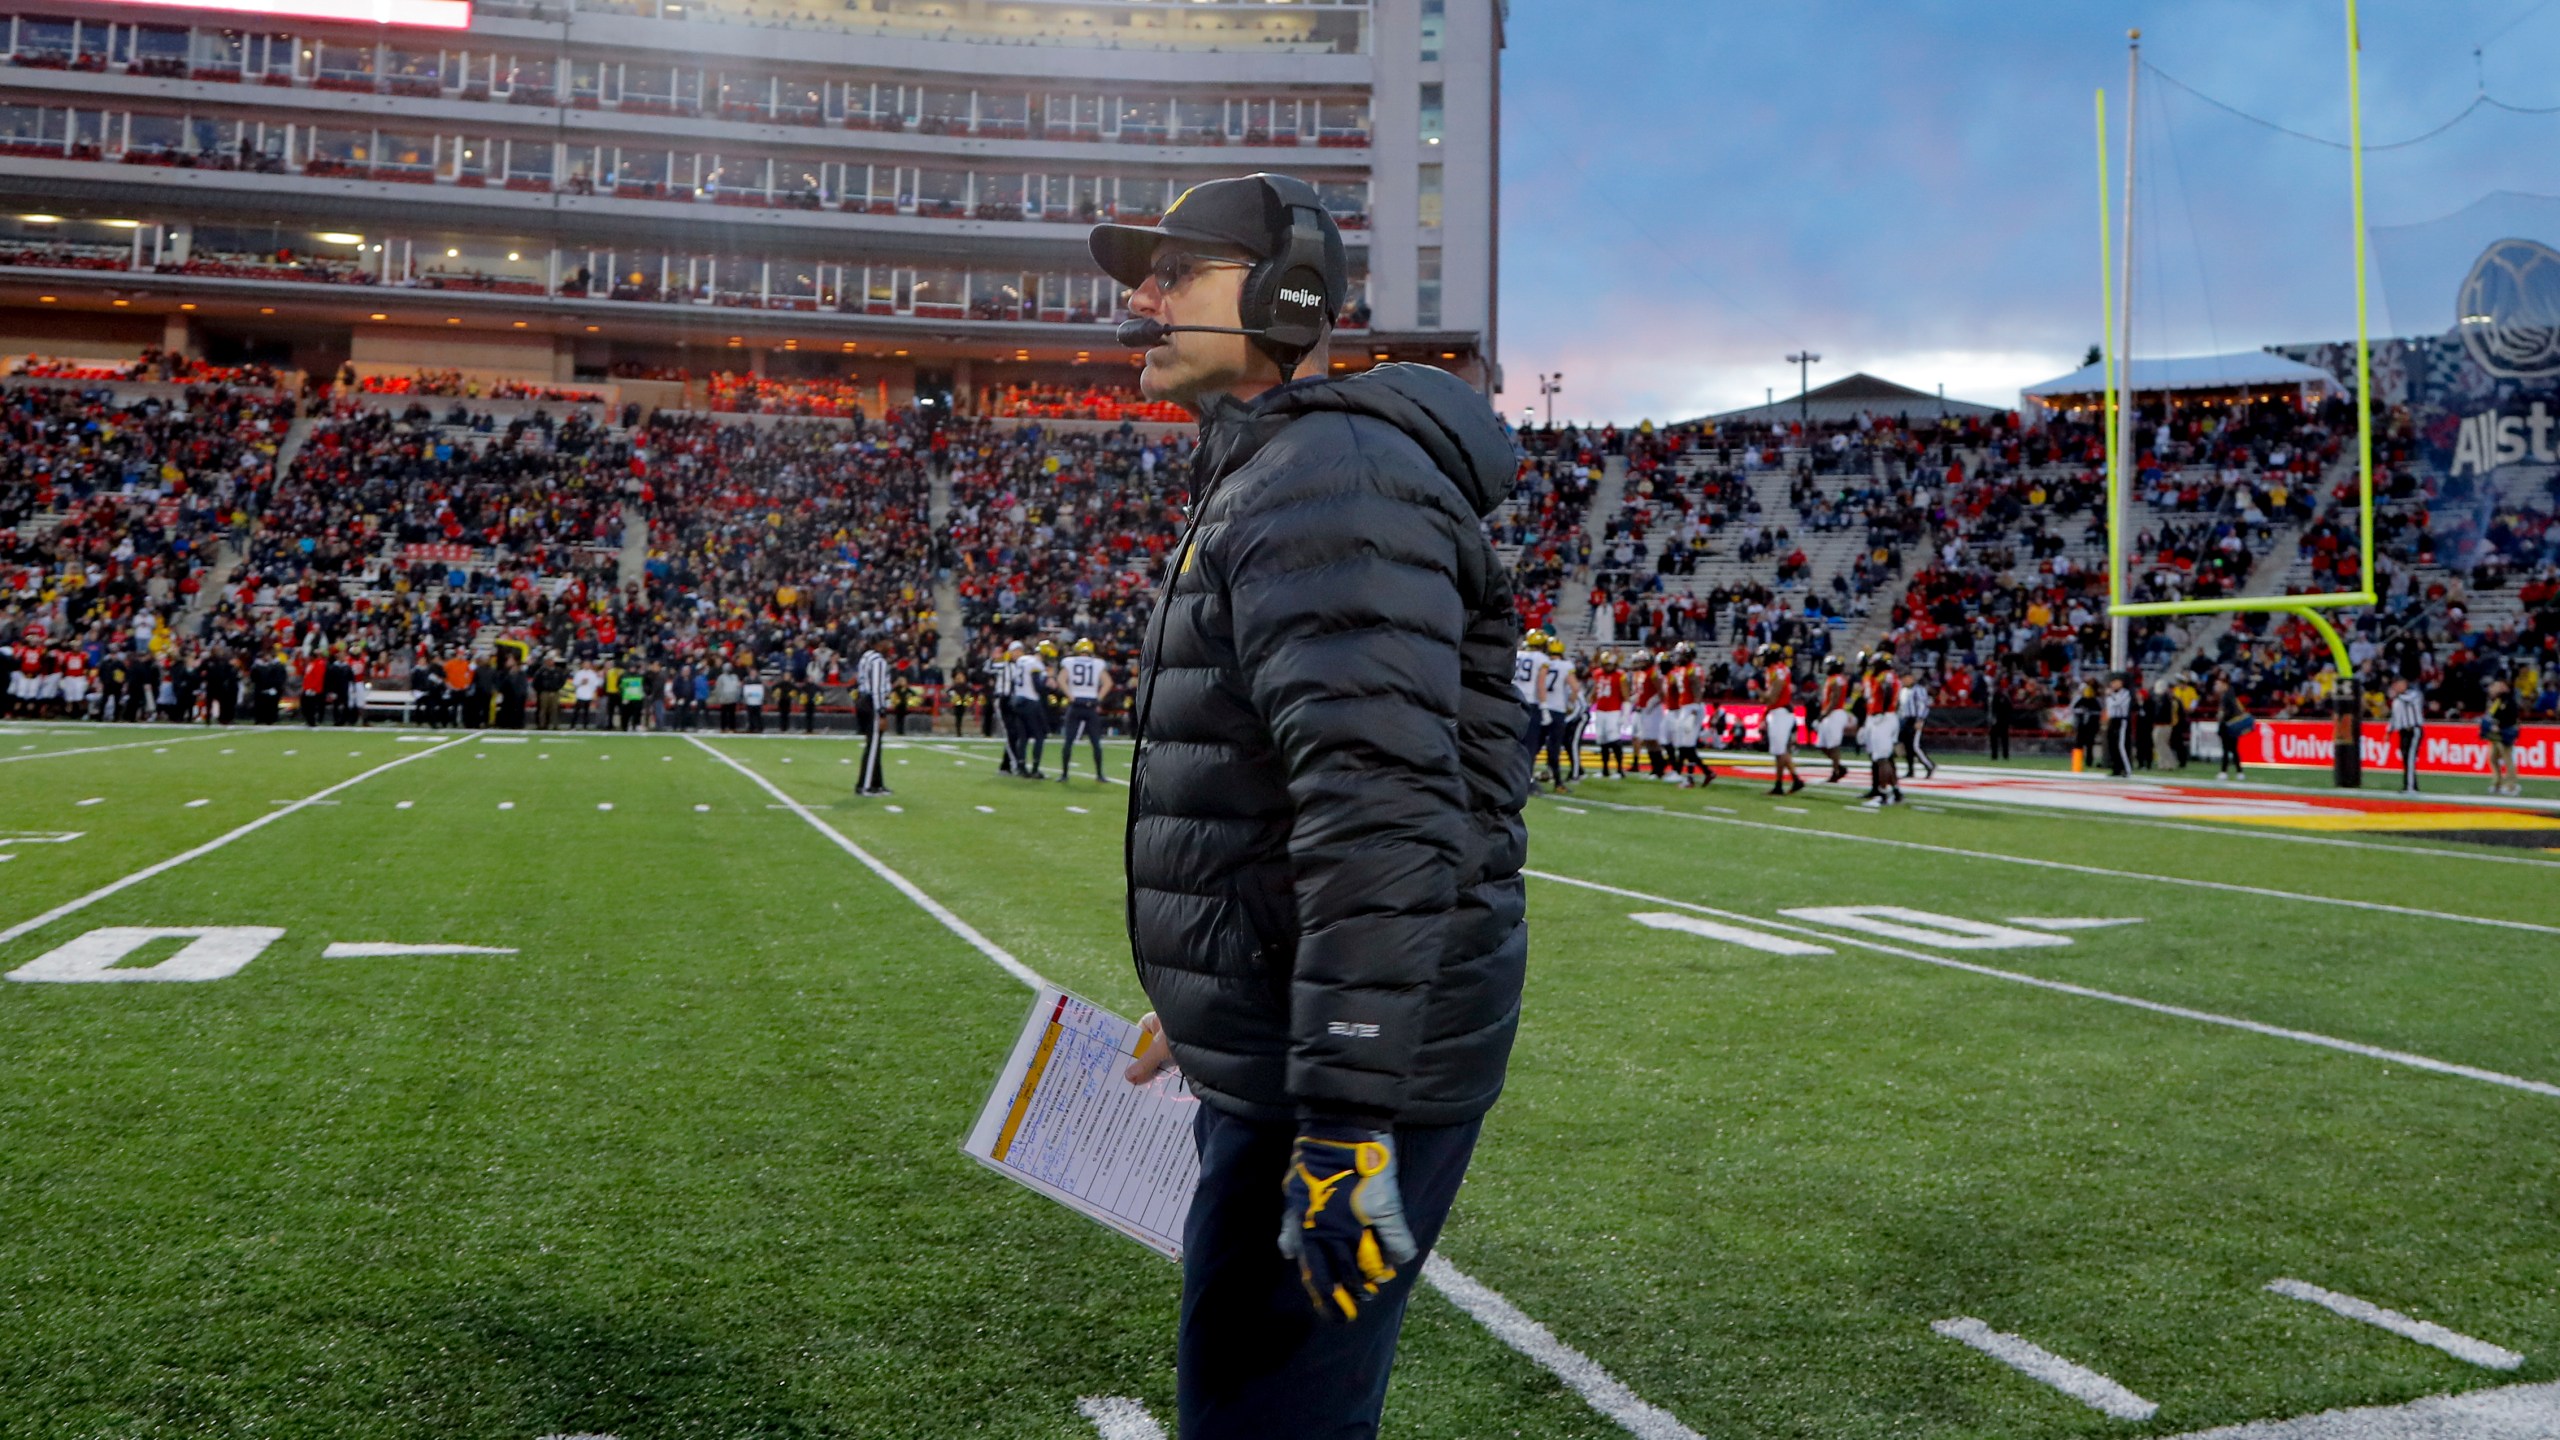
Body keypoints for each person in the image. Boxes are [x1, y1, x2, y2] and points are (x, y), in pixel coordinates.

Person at [1095, 172, 1528, 1439]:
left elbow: (1380, 810)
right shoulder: (1288, 469)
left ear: (1282, 296)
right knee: (1258, 1400)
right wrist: (1223, 988)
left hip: (1343, 1071)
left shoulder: (1322, 476)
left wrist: (1342, 1114)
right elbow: (1290, 795)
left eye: (1176, 271)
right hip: (1301, 1032)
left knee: (1265, 1419)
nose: (1141, 296)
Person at [1053, 638, 1113, 782]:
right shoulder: (1097, 663)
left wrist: (1070, 695)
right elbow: (1108, 682)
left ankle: (1064, 774)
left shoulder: (1070, 662)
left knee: (1068, 740)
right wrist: (1098, 698)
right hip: (1091, 704)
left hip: (1076, 703)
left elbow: (1061, 679)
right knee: (1095, 742)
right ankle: (1099, 774)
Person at [1859, 652, 1904, 806]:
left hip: (1883, 718)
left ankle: (1883, 795)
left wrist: (1883, 711)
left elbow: (1888, 691)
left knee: (1882, 758)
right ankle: (1895, 791)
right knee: (1883, 757)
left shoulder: (1886, 675)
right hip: (1881, 716)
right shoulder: (1881, 676)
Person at [1535, 634, 1577, 792]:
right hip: (1558, 710)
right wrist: (1570, 704)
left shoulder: (1543, 662)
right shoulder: (1566, 666)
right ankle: (1558, 782)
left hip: (1542, 707)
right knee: (1554, 747)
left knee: (1535, 746)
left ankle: (1527, 779)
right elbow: (1575, 688)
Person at [1758, 643, 1800, 795]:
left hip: (1781, 713)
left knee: (1779, 751)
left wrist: (1756, 690)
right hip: (1777, 712)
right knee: (1780, 751)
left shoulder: (1778, 671)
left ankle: (1779, 785)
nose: (1760, 659)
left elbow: (1771, 697)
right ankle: (1795, 780)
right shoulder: (1773, 670)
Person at [854, 641, 893, 795]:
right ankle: (865, 785)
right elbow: (877, 688)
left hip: (864, 701)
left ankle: (877, 783)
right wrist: (882, 712)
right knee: (873, 746)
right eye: (885, 643)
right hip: (872, 703)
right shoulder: (878, 661)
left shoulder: (866, 657)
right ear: (878, 645)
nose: (888, 647)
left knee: (874, 745)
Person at [1012, 640, 1054, 778]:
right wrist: (1048, 680)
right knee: (1040, 736)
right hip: (1030, 702)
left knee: (1023, 737)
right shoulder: (1036, 663)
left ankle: (1021, 767)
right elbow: (1038, 686)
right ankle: (1035, 769)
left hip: (1018, 701)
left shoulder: (1022, 660)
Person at [1587, 649, 1628, 779]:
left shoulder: (1620, 676)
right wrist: (1589, 704)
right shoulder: (1598, 674)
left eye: (1608, 664)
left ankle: (1620, 770)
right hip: (1600, 710)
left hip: (1614, 711)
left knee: (1614, 739)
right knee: (1602, 740)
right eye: (1604, 664)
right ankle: (1604, 769)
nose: (1606, 667)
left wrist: (1625, 715)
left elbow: (1626, 696)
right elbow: (1595, 691)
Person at [1814, 654, 1854, 783]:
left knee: (1833, 744)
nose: (1826, 668)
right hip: (1830, 712)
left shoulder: (1837, 679)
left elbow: (1834, 699)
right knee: (1822, 745)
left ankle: (1836, 771)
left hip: (1835, 713)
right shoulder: (1832, 678)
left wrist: (1825, 713)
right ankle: (1839, 766)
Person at [1895, 666, 1935, 779]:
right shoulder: (1902, 690)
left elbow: (1923, 706)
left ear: (1911, 678)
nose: (1904, 680)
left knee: (1915, 746)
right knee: (1907, 746)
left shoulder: (1919, 689)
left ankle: (1929, 765)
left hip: (1915, 719)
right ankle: (1910, 769)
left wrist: (1920, 720)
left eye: (1906, 678)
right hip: (1905, 719)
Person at [2484, 677, 2522, 796]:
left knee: (2507, 759)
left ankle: (2511, 785)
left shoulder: (2508, 700)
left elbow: (2512, 716)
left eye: (2496, 686)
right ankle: (2497, 782)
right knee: (2493, 758)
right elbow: (2491, 714)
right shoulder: (2496, 700)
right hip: (2496, 734)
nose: (2492, 689)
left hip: (2505, 733)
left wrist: (2499, 725)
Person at [2387, 675, 2424, 792]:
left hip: (2413, 730)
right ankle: (2411, 785)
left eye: (2399, 684)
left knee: (2410, 758)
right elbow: (2394, 717)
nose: (2397, 687)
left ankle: (2410, 786)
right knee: (2405, 758)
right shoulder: (2396, 701)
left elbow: (2409, 699)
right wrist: (2389, 731)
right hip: (2403, 731)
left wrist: (2397, 695)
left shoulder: (2413, 694)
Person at [2214, 677, 2250, 780]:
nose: (2217, 687)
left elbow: (2226, 712)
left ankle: (2224, 771)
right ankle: (2239, 771)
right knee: (2233, 750)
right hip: (2232, 725)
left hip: (2228, 725)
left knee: (2227, 749)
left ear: (2224, 684)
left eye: (2218, 684)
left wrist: (2221, 716)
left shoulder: (2227, 695)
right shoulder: (2230, 694)